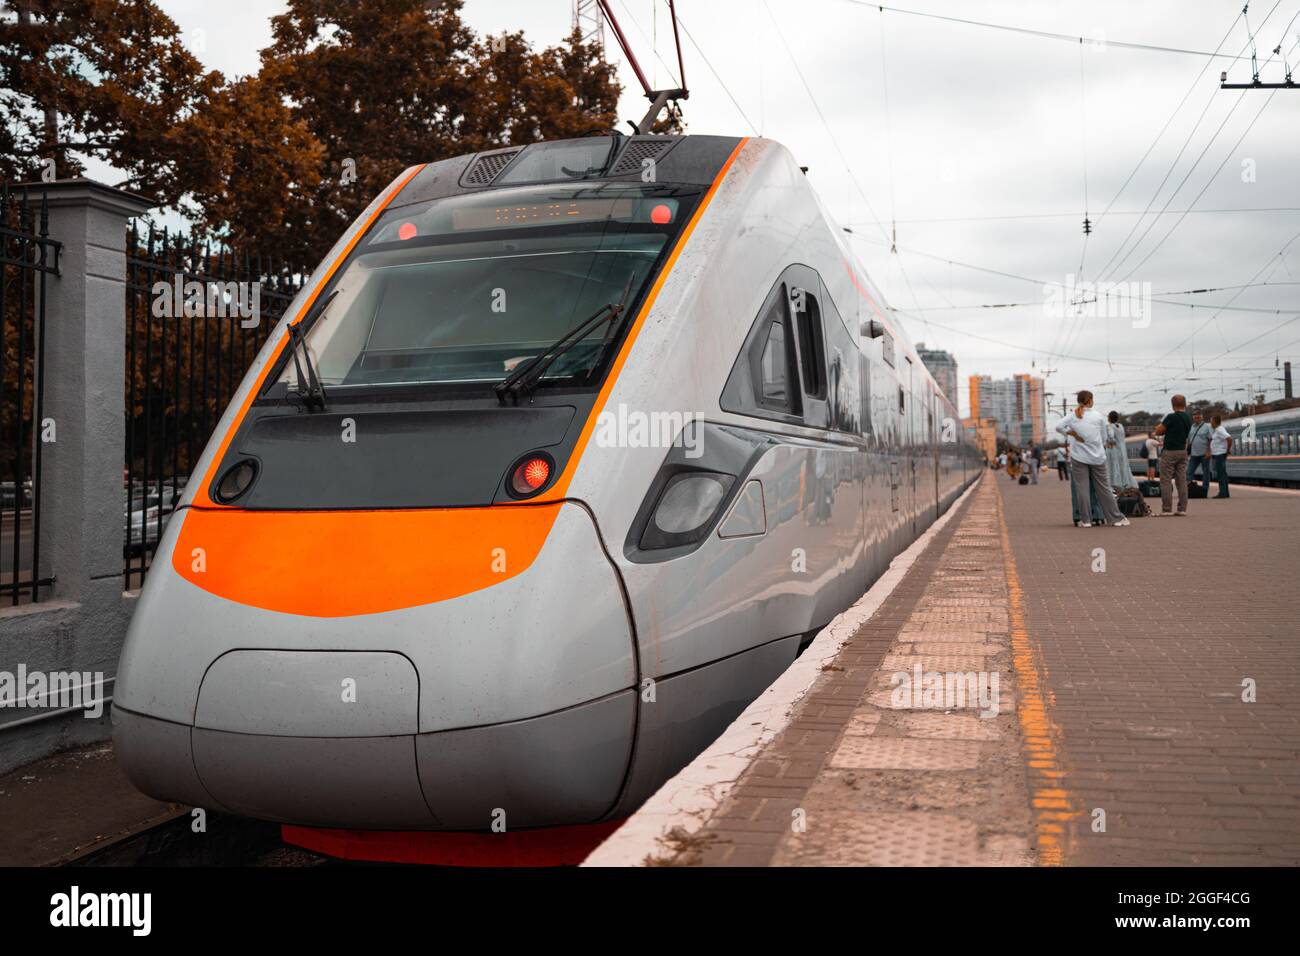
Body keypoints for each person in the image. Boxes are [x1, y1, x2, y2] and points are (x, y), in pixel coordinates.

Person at [1055, 390, 1130, 528]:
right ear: (1090, 400)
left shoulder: (1072, 416)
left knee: (1082, 489)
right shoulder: (1098, 416)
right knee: (1104, 489)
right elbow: (1104, 438)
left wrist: (1071, 433)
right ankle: (1116, 519)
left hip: (1078, 458)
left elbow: (1058, 427)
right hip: (1097, 458)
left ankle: (1086, 521)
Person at [1153, 393, 1192, 516]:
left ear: (1172, 405)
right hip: (1183, 451)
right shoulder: (1188, 418)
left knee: (1166, 480)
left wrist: (1159, 428)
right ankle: (1182, 509)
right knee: (1182, 480)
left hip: (1170, 451)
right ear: (1184, 404)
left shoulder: (1171, 417)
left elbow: (1158, 431)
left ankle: (1167, 509)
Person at [1104, 411, 1137, 491]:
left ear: (1109, 418)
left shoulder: (1110, 426)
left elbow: (1111, 437)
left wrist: (1108, 442)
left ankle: (1115, 484)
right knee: (1123, 466)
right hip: (1122, 450)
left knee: (1114, 466)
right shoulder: (1120, 426)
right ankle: (1125, 484)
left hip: (1114, 450)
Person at [1186, 412, 1213, 491]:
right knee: (1189, 472)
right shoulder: (1192, 427)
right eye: (1195, 417)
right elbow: (1189, 440)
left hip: (1204, 454)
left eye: (1198, 417)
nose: (1196, 419)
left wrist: (1209, 451)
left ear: (1202, 417)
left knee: (1206, 472)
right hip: (1194, 454)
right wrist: (1187, 451)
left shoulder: (1207, 427)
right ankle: (1189, 488)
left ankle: (1205, 489)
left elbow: (1210, 439)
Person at [1209, 414, 1233, 499]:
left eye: (1211, 421)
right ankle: (1225, 492)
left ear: (1215, 422)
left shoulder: (1219, 430)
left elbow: (1229, 438)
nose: (1210, 423)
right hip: (1218, 454)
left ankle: (1222, 493)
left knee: (1221, 474)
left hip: (1219, 454)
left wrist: (1227, 449)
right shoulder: (1217, 430)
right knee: (1222, 474)